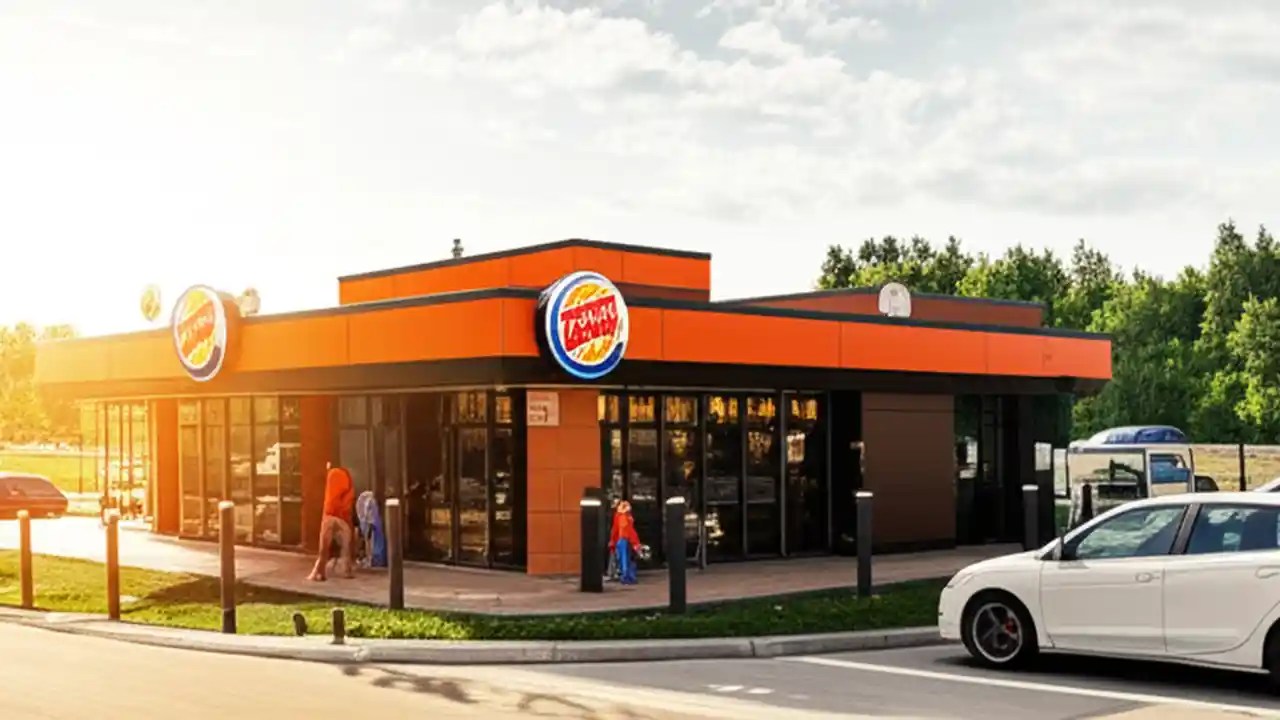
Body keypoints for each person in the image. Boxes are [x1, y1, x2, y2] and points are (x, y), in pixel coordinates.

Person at [308, 463, 355, 581]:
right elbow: (349, 497)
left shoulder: (331, 476)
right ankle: (346, 571)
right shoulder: (346, 477)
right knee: (346, 547)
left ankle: (318, 572)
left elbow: (330, 499)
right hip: (342, 517)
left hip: (329, 514)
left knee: (324, 548)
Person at [608, 500, 641, 586]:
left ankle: (627, 577)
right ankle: (627, 577)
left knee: (625, 559)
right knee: (627, 559)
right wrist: (634, 542)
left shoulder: (621, 516)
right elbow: (626, 530)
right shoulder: (625, 517)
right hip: (625, 539)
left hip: (623, 539)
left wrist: (613, 541)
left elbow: (616, 530)